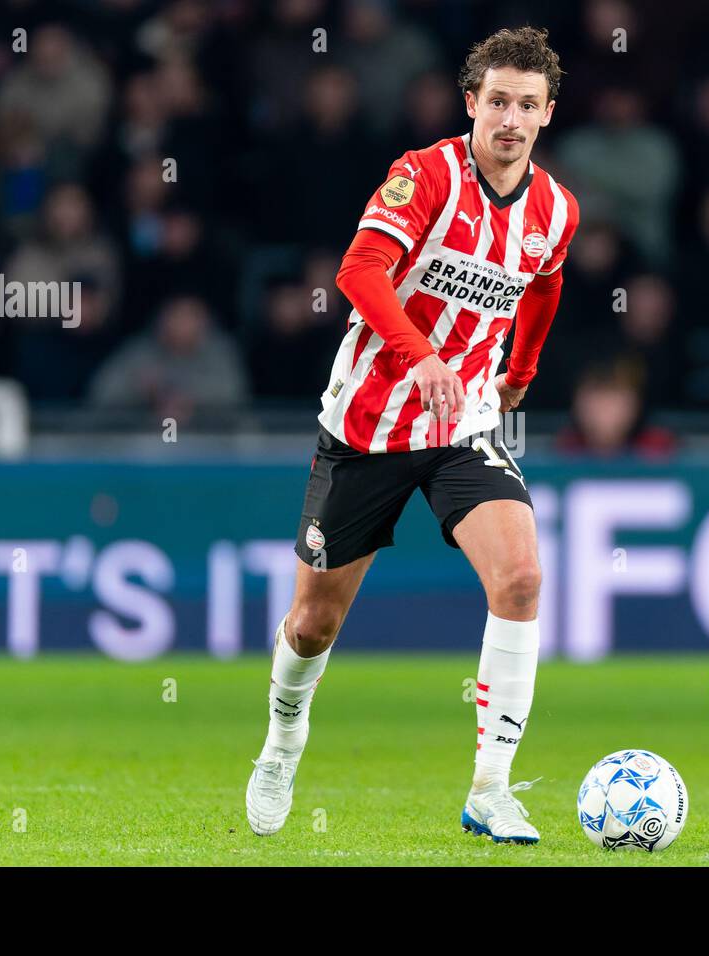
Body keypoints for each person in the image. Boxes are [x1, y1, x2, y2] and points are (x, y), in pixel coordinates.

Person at [245, 25, 579, 846]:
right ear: (471, 103)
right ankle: (284, 738)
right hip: (367, 424)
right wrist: (423, 357)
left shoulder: (555, 209)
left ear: (546, 115)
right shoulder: (423, 176)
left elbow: (545, 283)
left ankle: (491, 789)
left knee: (524, 579)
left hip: (463, 421)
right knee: (313, 625)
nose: (508, 118)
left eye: (525, 106)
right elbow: (358, 271)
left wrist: (523, 368)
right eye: (496, 100)